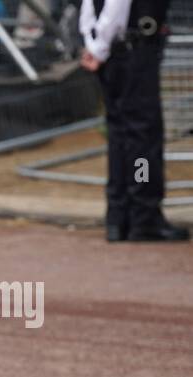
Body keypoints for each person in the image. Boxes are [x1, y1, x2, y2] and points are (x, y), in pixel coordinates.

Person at [80, 0, 189, 241]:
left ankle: (119, 216)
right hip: (134, 51)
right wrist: (99, 46)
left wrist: (92, 41)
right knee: (143, 138)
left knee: (119, 134)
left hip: (115, 51)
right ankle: (143, 215)